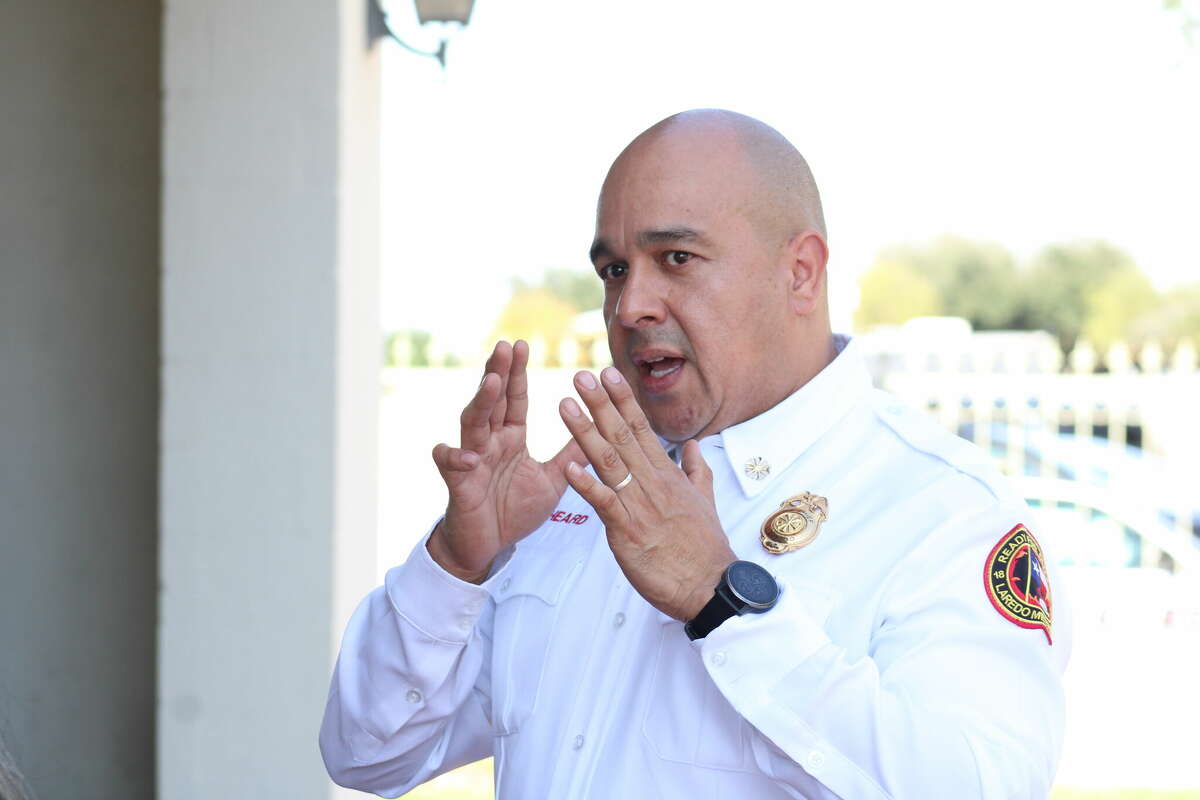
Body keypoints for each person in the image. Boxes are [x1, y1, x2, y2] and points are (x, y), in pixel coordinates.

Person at [320, 109, 1071, 799]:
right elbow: (366, 754)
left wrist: (724, 602)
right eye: (614, 270)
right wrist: (456, 564)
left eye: (676, 257)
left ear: (801, 272)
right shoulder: (581, 492)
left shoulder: (940, 510)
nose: (629, 307)